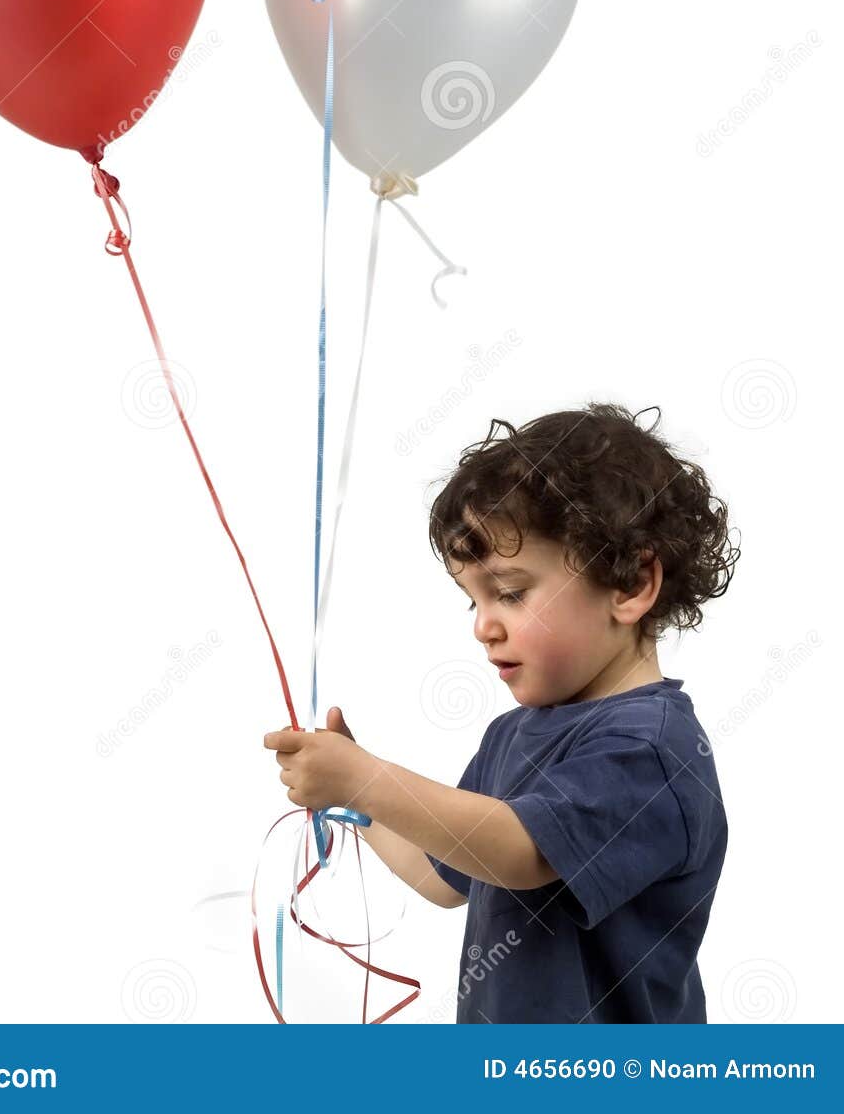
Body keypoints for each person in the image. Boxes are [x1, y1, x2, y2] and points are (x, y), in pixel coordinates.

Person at [264, 403, 739, 1023]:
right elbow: (448, 872)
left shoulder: (650, 748)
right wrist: (355, 799)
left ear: (629, 584)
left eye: (511, 593)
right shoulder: (513, 734)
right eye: (473, 602)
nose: (484, 627)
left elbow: (523, 855)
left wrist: (365, 778)